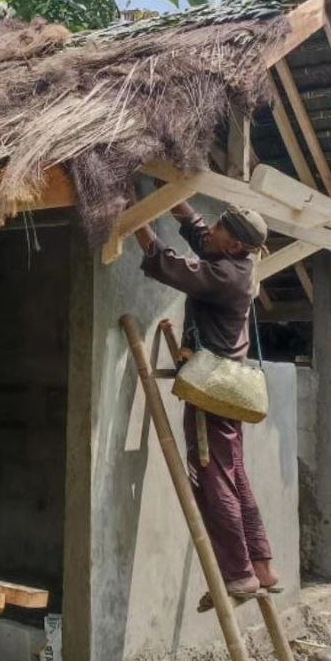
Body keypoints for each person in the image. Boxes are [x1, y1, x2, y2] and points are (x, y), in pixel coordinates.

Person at [134, 202, 277, 602]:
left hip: (211, 390)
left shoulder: (225, 276)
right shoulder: (235, 262)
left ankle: (238, 575)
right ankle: (262, 566)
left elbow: (173, 266)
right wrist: (176, 200)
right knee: (235, 475)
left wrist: (134, 219)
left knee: (210, 477)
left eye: (219, 229)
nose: (209, 229)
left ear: (234, 246)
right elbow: (201, 236)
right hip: (228, 387)